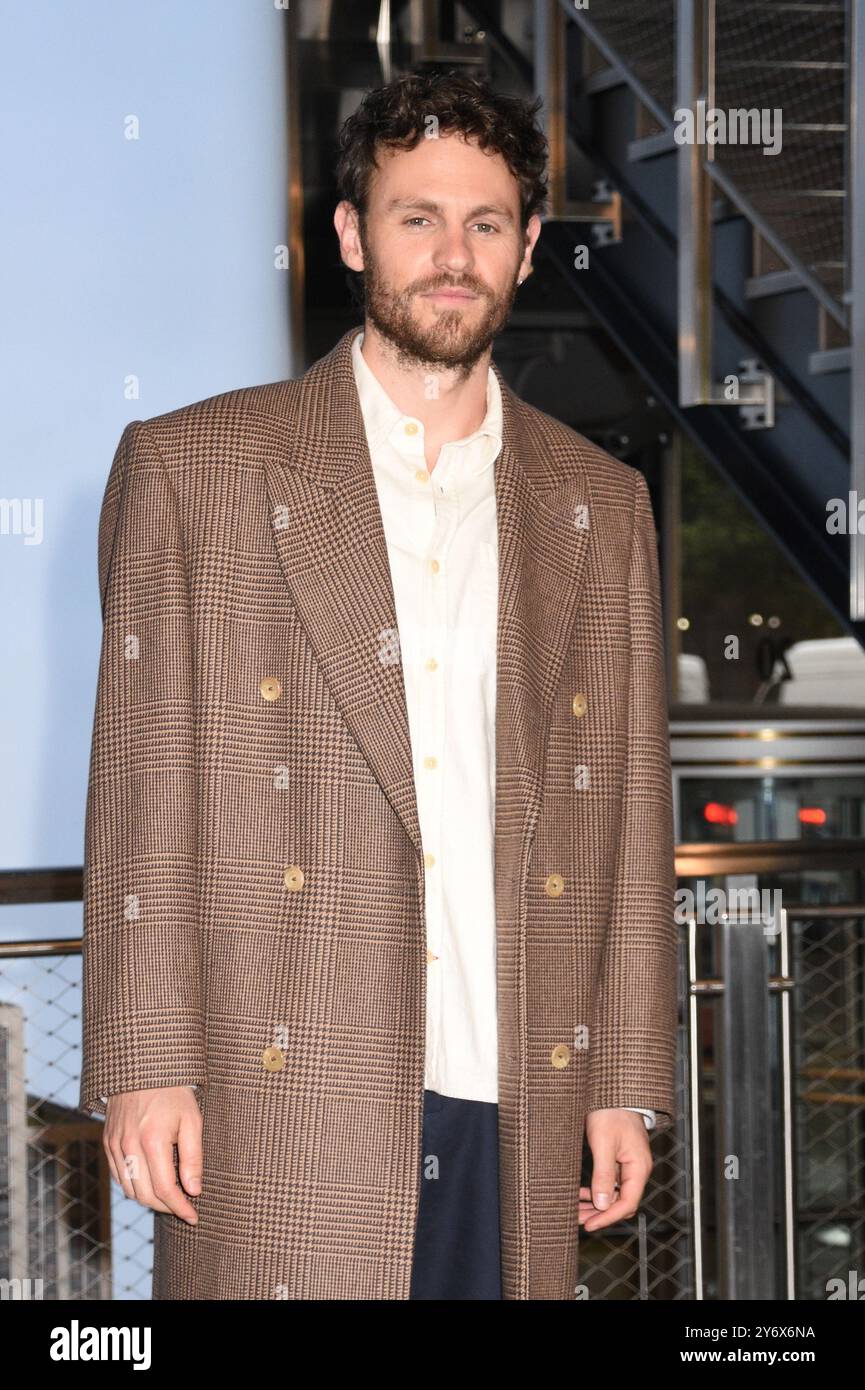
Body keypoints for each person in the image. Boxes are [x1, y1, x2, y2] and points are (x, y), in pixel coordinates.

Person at [80, 69, 677, 1301]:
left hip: (519, 1080)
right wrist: (144, 1060)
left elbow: (626, 810)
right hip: (280, 1073)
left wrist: (623, 1076)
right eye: (417, 218)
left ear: (523, 251)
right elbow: (144, 788)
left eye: (487, 224)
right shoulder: (195, 468)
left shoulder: (599, 503)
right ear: (352, 234)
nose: (452, 256)